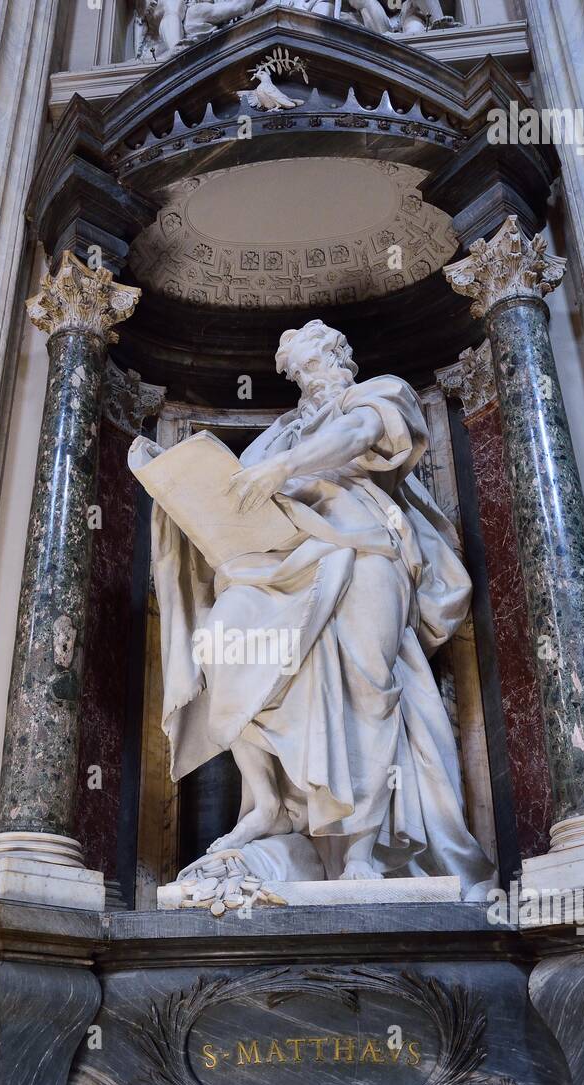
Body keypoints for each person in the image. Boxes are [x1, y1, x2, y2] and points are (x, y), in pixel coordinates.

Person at [147, 320, 494, 895]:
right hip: (284, 565)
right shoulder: (281, 432)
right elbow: (230, 495)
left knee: (367, 688)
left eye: (312, 363)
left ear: (340, 357)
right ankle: (265, 804)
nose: (306, 379)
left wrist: (285, 469)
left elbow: (359, 435)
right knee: (223, 641)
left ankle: (362, 845)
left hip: (367, 553)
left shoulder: (376, 395)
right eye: (296, 372)